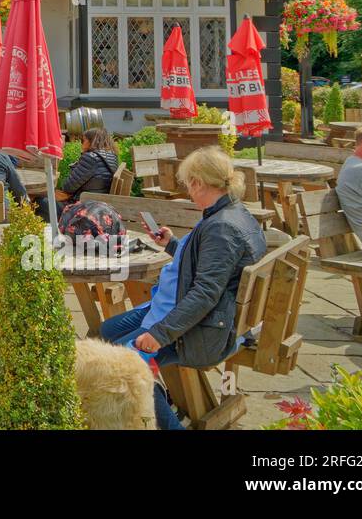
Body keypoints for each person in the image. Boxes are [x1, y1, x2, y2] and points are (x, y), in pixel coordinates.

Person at [100, 147, 266, 430]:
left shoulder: (221, 228)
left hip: (204, 330)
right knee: (107, 333)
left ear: (199, 182)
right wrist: (173, 244)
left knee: (125, 366)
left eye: (188, 183)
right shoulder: (231, 212)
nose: (188, 191)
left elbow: (205, 294)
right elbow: (210, 269)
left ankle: (157, 413)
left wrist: (160, 334)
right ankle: (149, 400)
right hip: (203, 316)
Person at [56, 128, 120, 204]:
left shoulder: (90, 158)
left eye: (83, 140)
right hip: (99, 202)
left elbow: (67, 187)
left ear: (92, 141)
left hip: (84, 204)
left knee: (42, 201)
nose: (81, 144)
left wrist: (75, 166)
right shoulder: (112, 156)